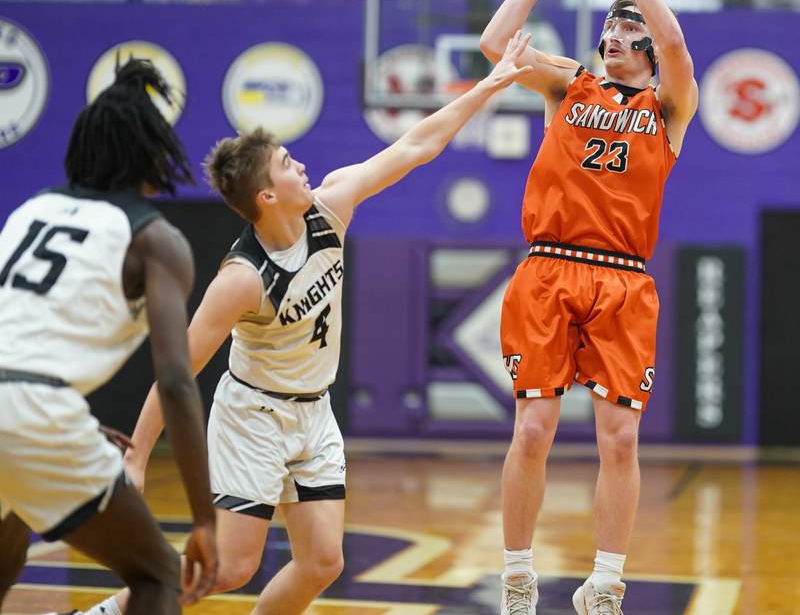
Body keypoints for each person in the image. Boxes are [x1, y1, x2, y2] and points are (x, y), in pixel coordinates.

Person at [78, 31, 534, 615]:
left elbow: (416, 145)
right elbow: (178, 368)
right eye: (289, 165)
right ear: (267, 195)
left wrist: (490, 86)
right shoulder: (242, 279)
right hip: (255, 416)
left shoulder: (331, 207)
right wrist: (138, 454)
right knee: (232, 567)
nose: (304, 166)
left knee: (322, 561)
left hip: (313, 410)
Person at [479, 0, 697, 615]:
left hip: (623, 281)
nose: (616, 36)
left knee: (620, 439)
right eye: (610, 25)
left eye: (629, 29)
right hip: (548, 267)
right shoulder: (567, 83)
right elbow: (494, 41)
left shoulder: (668, 107)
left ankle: (604, 584)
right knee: (534, 428)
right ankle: (517, 574)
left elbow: (677, 46)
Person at [0, 59, 218, 615]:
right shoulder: (154, 239)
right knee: (158, 576)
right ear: (153, 154)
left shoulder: (30, 212)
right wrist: (203, 518)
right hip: (33, 412)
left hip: (22, 401)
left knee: (5, 552)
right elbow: (174, 378)